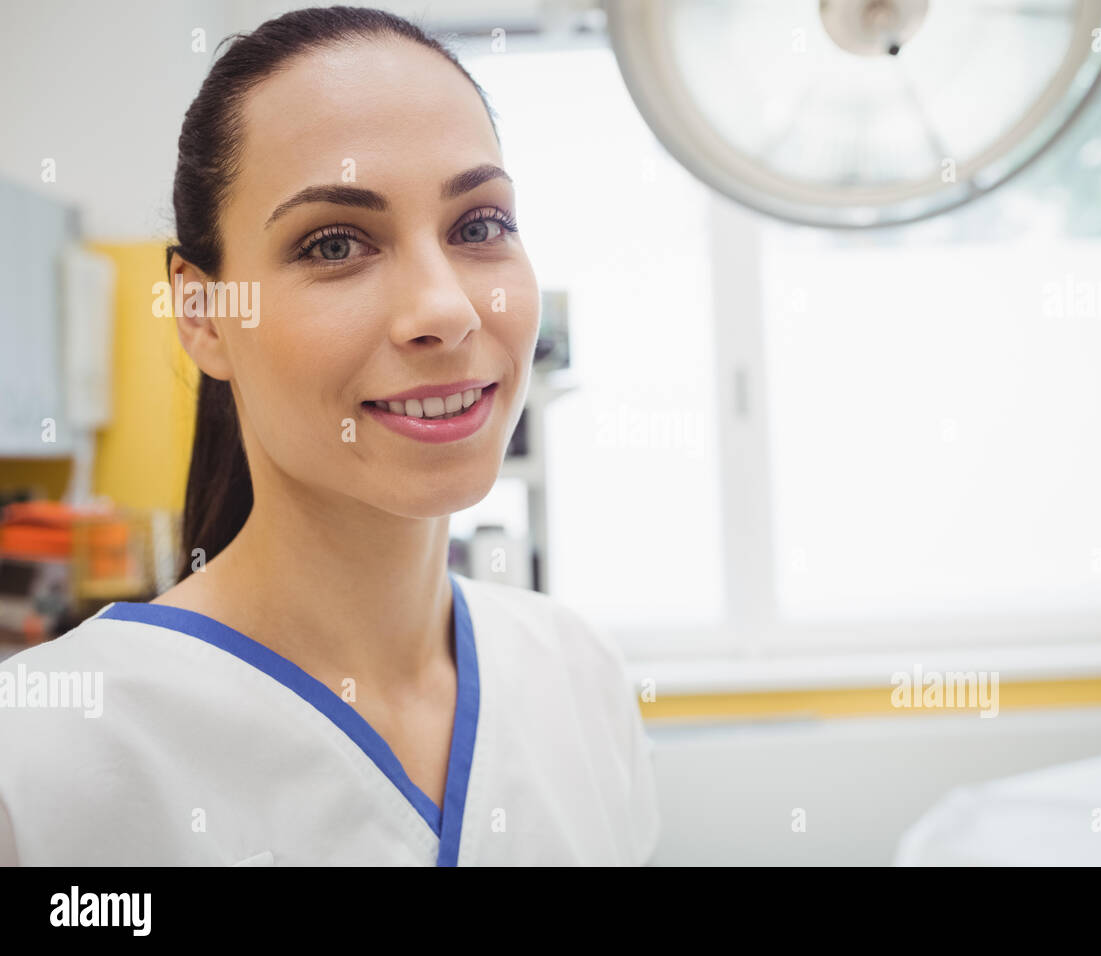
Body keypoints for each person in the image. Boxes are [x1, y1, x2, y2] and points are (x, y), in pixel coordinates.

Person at [0, 5, 659, 866]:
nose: (446, 311)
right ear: (201, 312)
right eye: (336, 242)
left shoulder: (580, 679)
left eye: (480, 225)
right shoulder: (45, 756)